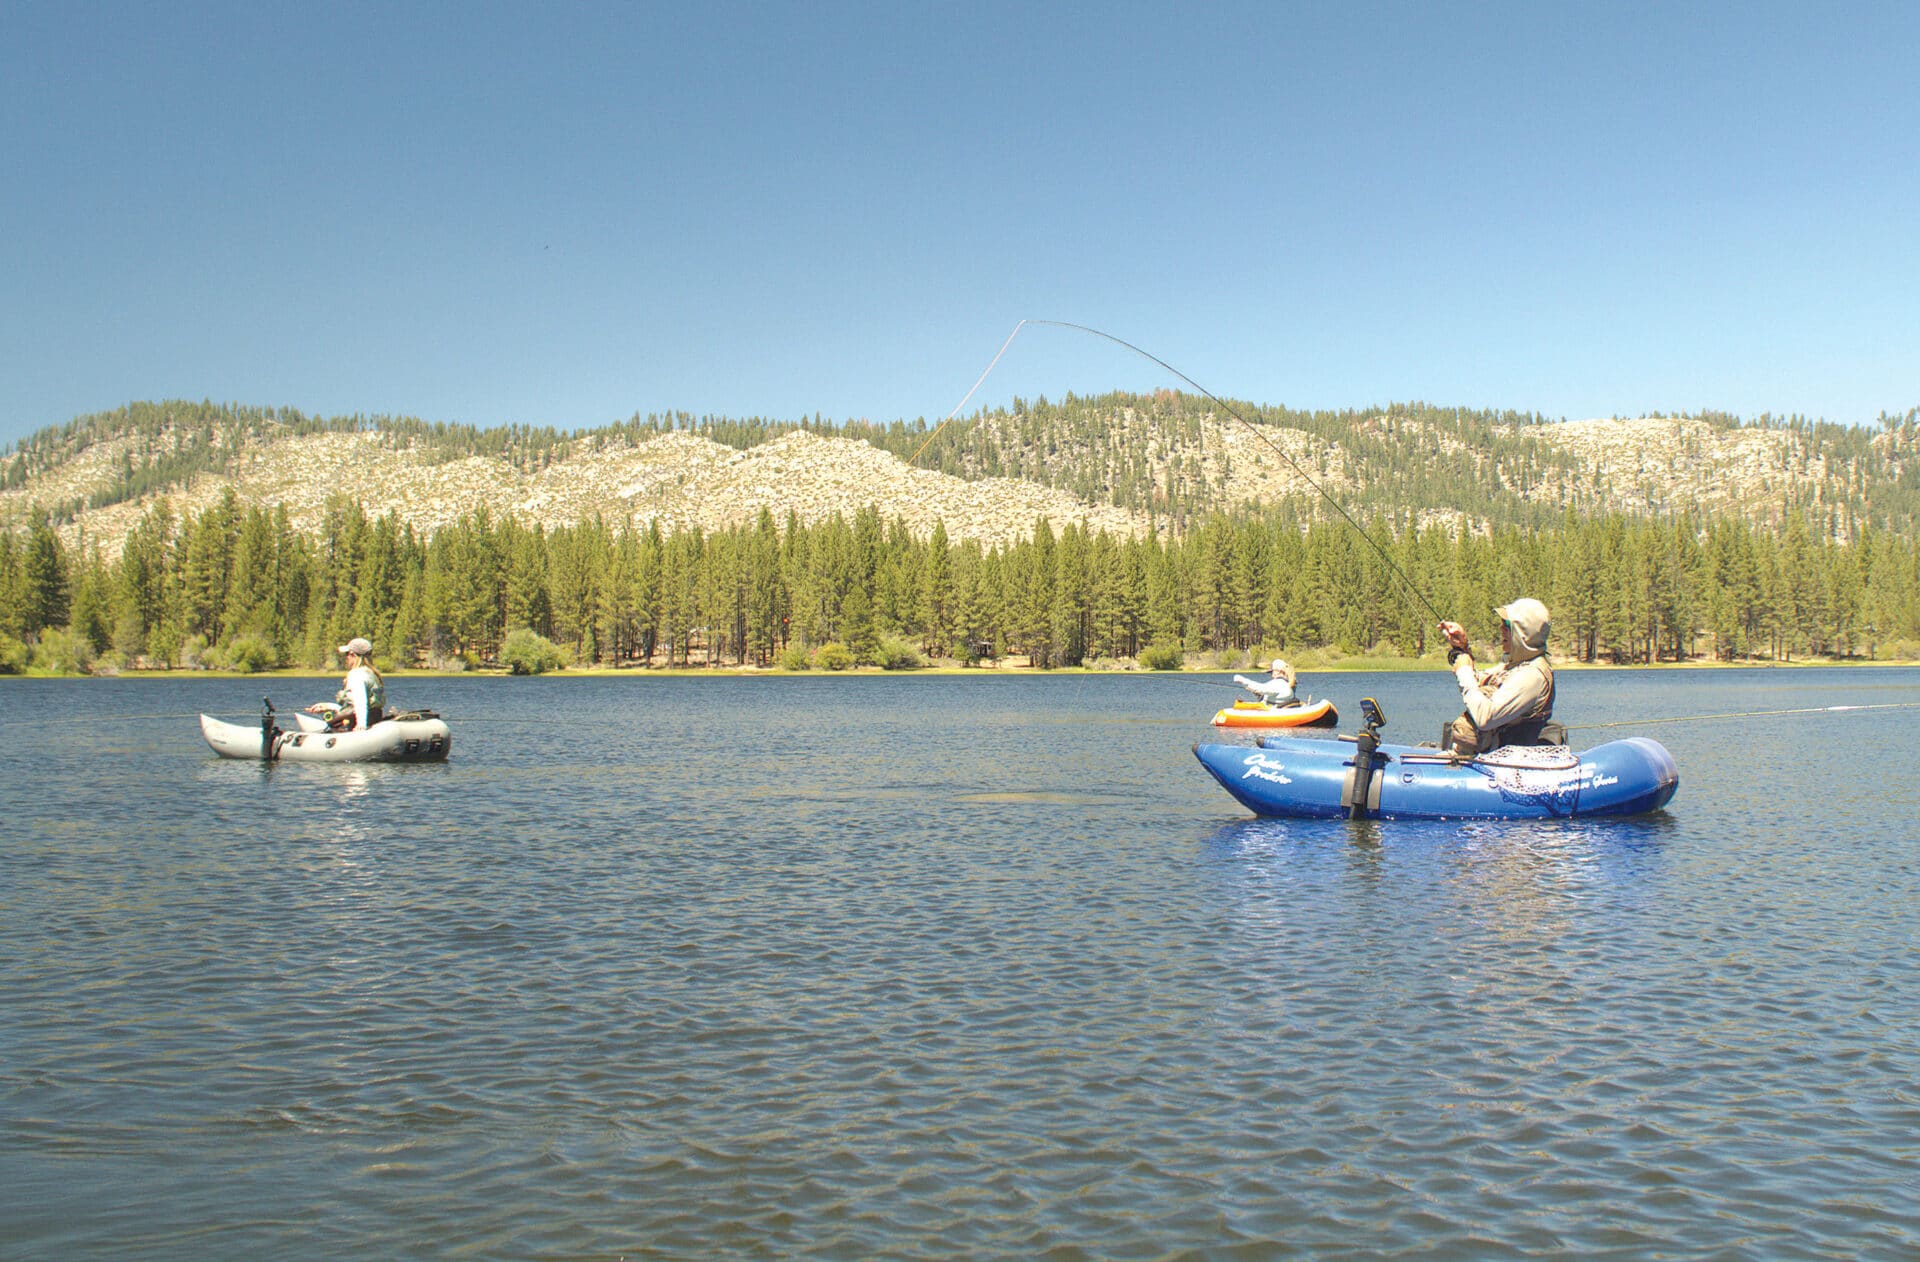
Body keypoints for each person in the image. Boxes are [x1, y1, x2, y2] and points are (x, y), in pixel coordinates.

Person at [1436, 598, 1559, 755]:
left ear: (1524, 634)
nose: (1501, 629)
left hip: (1508, 768)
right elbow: (1477, 681)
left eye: (1507, 625)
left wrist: (1464, 671)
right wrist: (1462, 648)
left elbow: (1485, 717)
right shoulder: (1516, 665)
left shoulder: (1533, 675)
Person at [308, 636, 386, 730]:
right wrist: (328, 706)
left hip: (364, 724)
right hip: (374, 721)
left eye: (347, 654)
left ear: (353, 654)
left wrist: (361, 725)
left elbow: (360, 702)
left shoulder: (356, 674)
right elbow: (356, 707)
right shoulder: (371, 673)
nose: (346, 657)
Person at [1233, 658, 1299, 707]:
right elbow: (1276, 696)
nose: (1271, 675)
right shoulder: (1288, 684)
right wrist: (1260, 695)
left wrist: (1242, 680)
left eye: (1271, 672)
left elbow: (1260, 688)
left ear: (1278, 672)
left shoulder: (1278, 683)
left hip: (1275, 713)